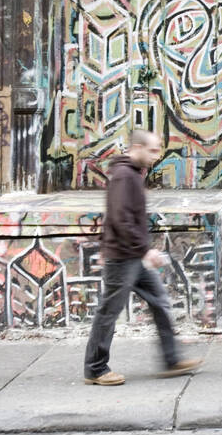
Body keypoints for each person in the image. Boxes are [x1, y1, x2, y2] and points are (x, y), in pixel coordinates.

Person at [83, 129, 202, 385]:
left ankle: (172, 360)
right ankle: (95, 369)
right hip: (123, 257)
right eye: (152, 150)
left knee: (159, 300)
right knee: (108, 313)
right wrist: (144, 249)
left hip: (132, 256)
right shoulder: (125, 176)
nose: (156, 156)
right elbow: (120, 218)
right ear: (136, 147)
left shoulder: (132, 174)